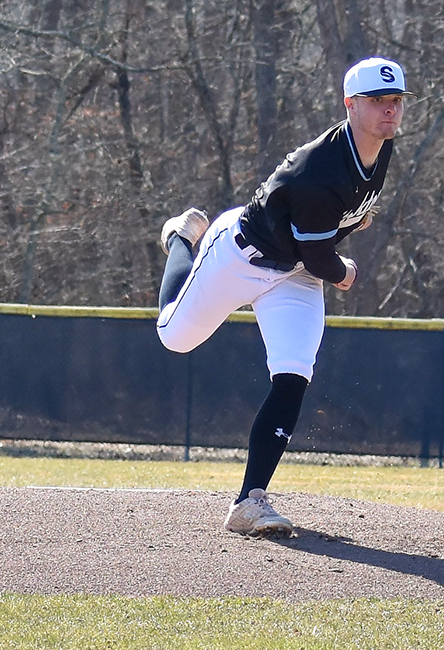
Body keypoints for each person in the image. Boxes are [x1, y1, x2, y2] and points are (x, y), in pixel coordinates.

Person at [153, 57, 404, 537]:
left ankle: (249, 502)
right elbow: (320, 256)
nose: (389, 110)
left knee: (293, 376)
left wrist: (349, 223)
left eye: (394, 101)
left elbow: (329, 226)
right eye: (376, 101)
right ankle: (181, 241)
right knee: (173, 337)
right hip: (241, 257)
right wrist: (344, 273)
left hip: (291, 272)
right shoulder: (318, 169)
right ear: (349, 104)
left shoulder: (379, 148)